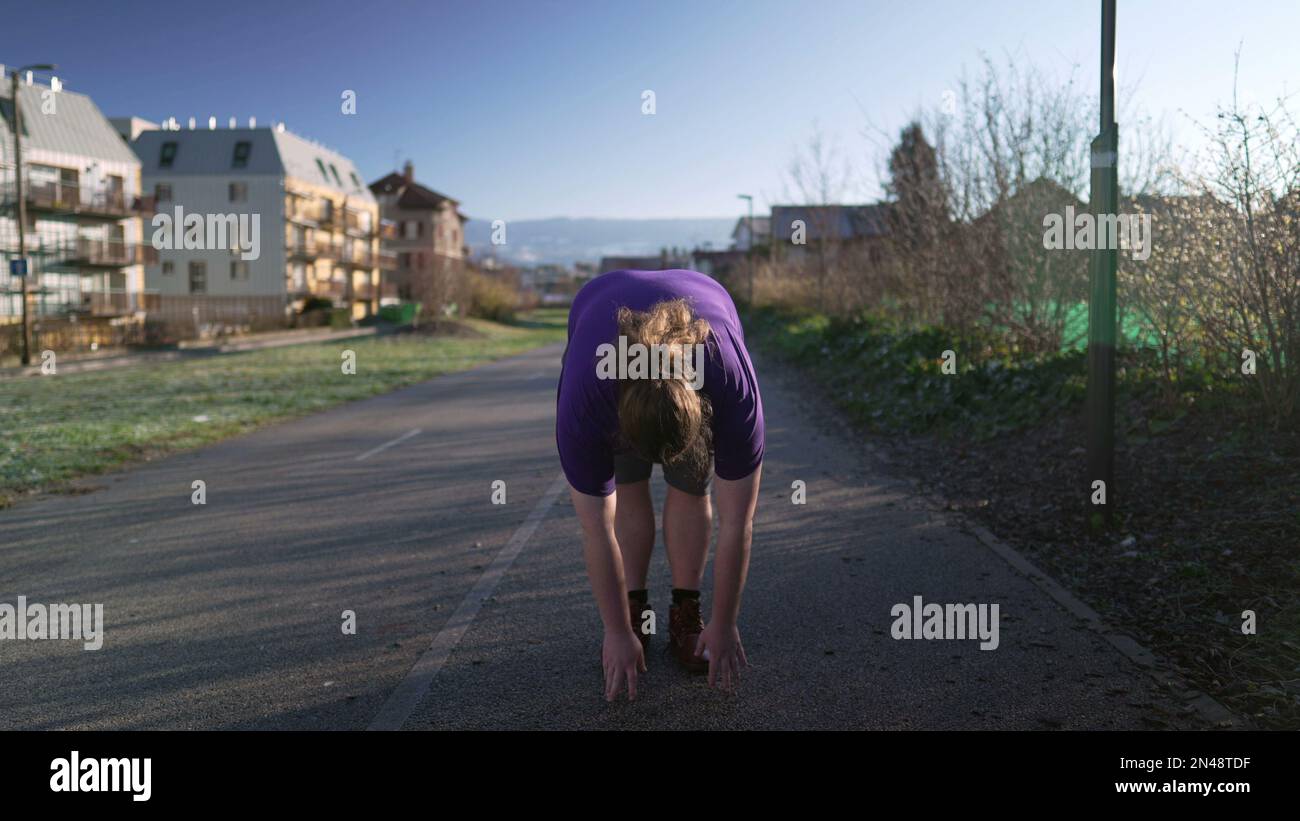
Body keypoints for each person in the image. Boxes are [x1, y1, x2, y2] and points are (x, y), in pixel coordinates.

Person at [556, 268, 764, 701]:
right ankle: (634, 612)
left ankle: (686, 609)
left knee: (691, 486)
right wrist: (614, 632)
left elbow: (738, 523)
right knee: (627, 485)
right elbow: (596, 527)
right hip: (600, 312)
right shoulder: (587, 400)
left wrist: (725, 623)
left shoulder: (729, 382)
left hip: (707, 317)